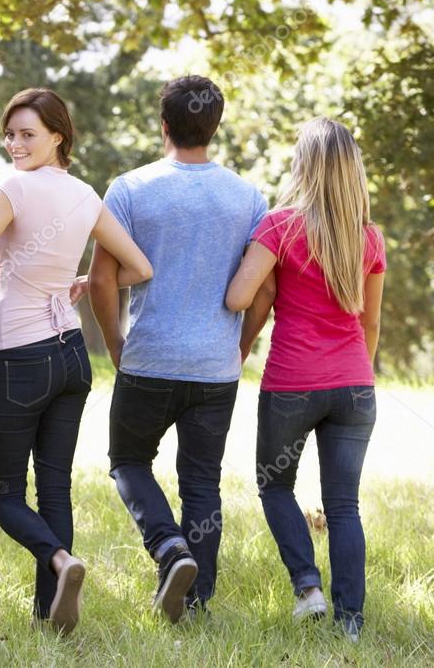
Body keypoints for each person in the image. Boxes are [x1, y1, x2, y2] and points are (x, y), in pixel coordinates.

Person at [0, 88, 152, 634]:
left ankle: (61, 563)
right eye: (10, 134)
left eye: (27, 134)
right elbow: (137, 268)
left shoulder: (11, 188)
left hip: (20, 356)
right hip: (71, 357)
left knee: (5, 495)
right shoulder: (86, 195)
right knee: (54, 487)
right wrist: (86, 279)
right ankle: (51, 615)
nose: (15, 144)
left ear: (58, 136)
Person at [89, 75, 268, 623]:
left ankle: (168, 548)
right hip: (215, 368)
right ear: (214, 127)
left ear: (163, 124)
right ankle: (196, 602)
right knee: (201, 481)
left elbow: (101, 282)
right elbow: (264, 291)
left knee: (127, 461)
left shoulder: (130, 188)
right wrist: (240, 345)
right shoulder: (249, 197)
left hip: (150, 358)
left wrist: (117, 345)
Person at [227, 117, 386, 642]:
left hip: (292, 383)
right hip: (355, 387)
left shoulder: (279, 226)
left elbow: (238, 298)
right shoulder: (369, 239)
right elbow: (370, 324)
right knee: (344, 505)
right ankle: (352, 625)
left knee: (275, 485)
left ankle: (308, 588)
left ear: (304, 165)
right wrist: (352, 376)